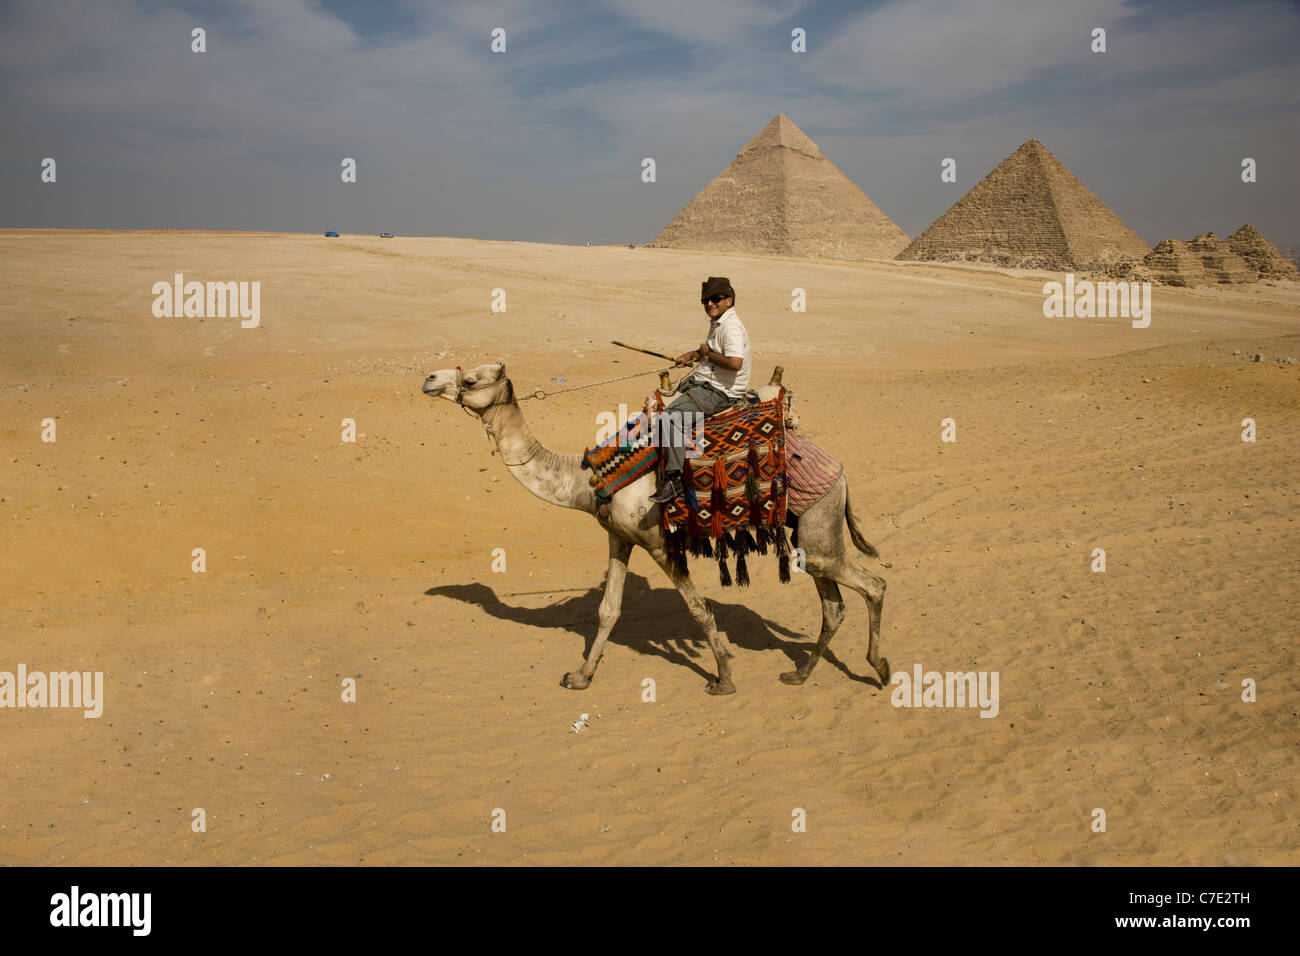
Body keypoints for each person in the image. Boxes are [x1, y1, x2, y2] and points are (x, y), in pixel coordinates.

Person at [649, 276, 752, 503]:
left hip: (722, 391)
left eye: (716, 299)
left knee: (670, 419)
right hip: (707, 381)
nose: (710, 304)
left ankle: (674, 479)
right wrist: (693, 355)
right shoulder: (719, 322)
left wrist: (705, 354)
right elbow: (710, 351)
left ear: (729, 300)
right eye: (706, 300)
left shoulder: (731, 326)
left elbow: (735, 362)